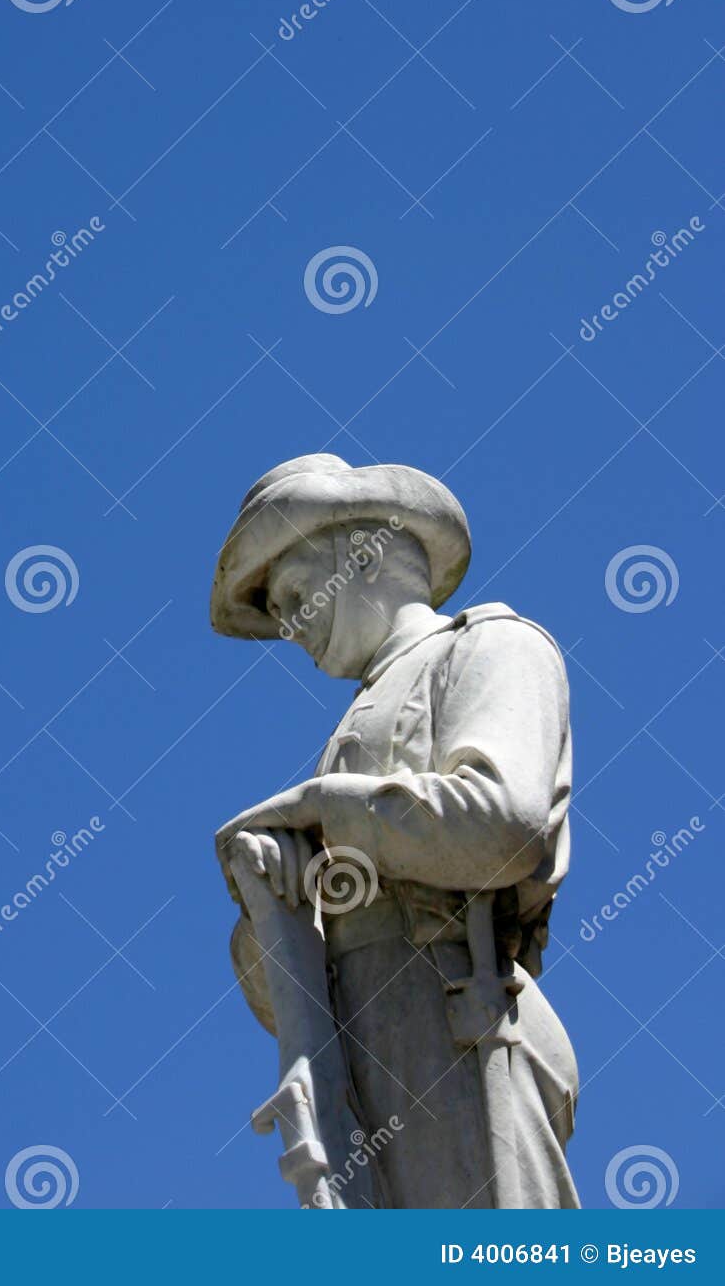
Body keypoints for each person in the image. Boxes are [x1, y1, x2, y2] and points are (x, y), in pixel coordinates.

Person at [212, 454, 579, 1209]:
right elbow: (292, 992)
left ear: (364, 555)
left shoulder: (491, 646)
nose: (288, 627)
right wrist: (268, 902)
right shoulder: (355, 726)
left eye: (293, 595)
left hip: (461, 1027)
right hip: (361, 1060)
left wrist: (323, 807)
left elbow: (504, 826)